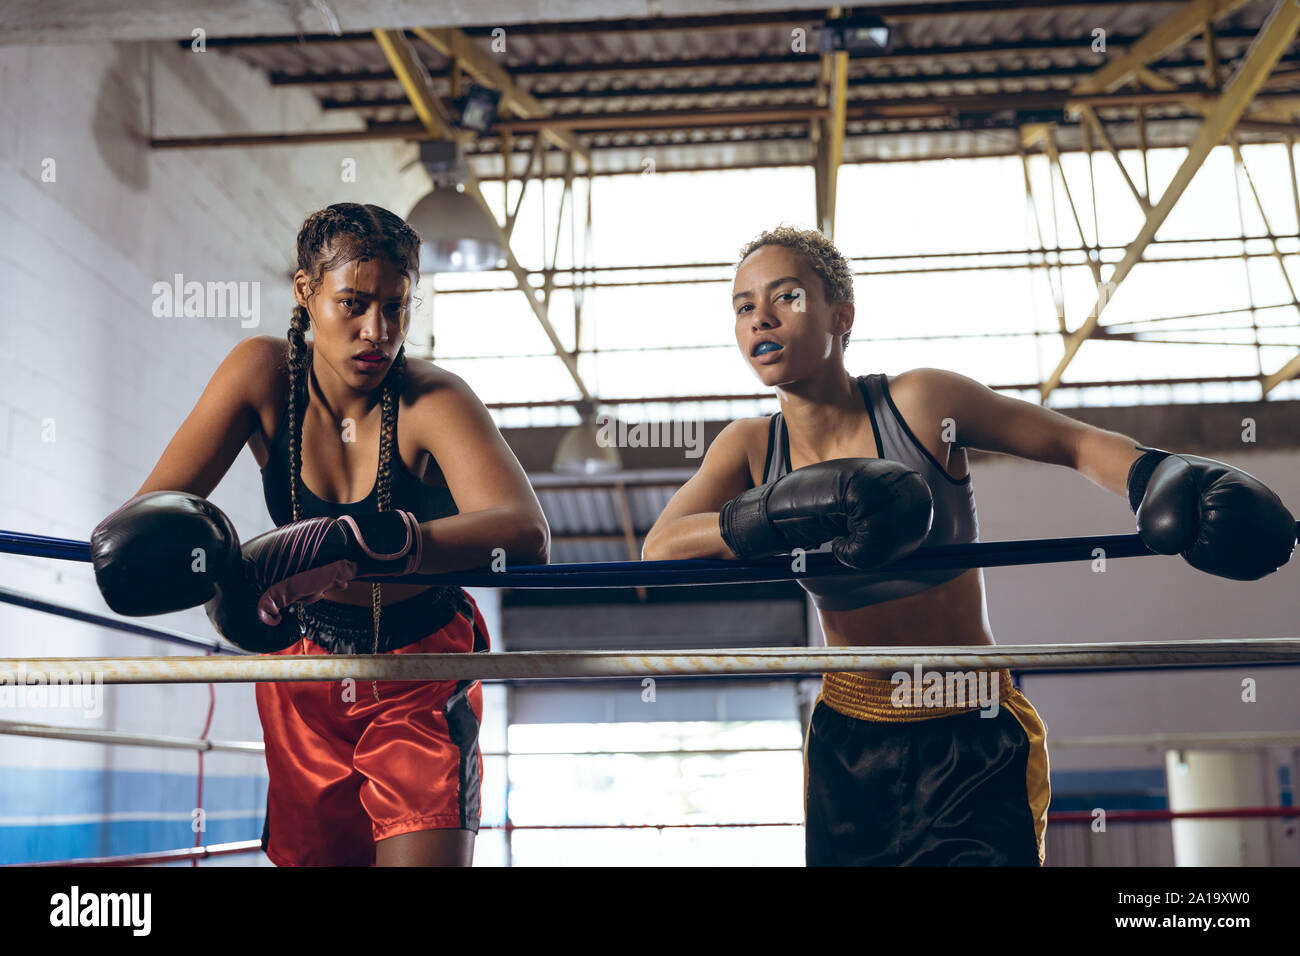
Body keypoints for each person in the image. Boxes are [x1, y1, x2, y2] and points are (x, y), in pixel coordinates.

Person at [642, 225, 1295, 866]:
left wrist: (1153, 476)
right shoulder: (752, 448)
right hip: (851, 736)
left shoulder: (920, 403)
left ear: (842, 314)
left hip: (971, 725)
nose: (761, 318)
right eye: (743, 306)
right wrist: (774, 511)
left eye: (786, 297)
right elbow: (659, 551)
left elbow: (1070, 443)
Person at [90, 202, 549, 866]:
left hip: (418, 668)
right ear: (305, 292)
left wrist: (364, 543)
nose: (378, 331)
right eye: (353, 304)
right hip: (305, 666)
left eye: (397, 307)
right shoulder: (262, 373)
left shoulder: (433, 397)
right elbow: (153, 514)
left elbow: (524, 532)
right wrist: (198, 564)